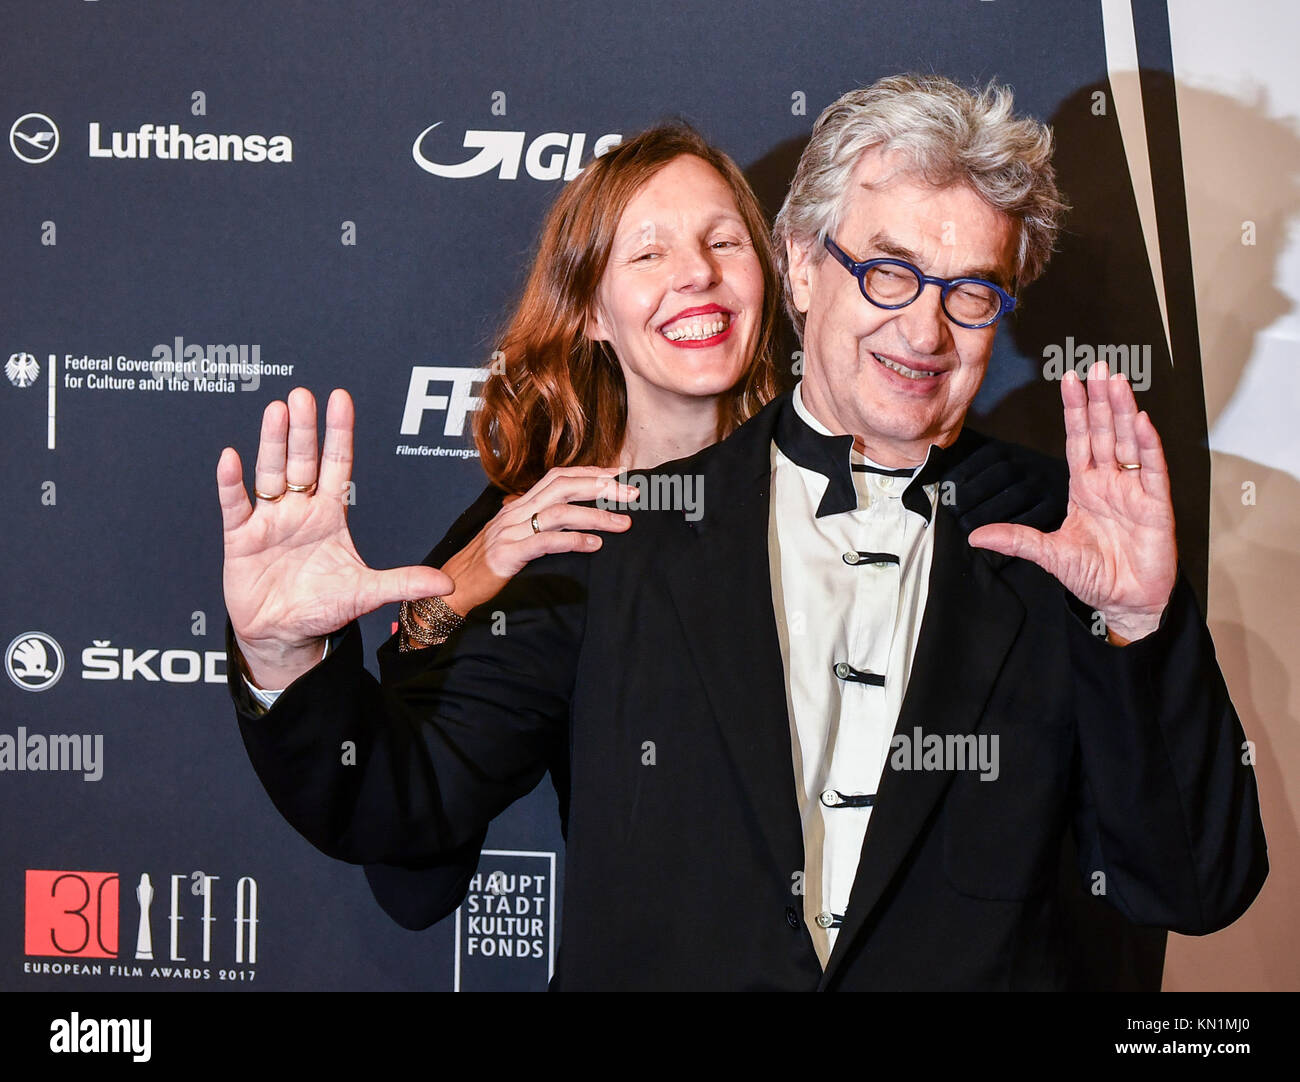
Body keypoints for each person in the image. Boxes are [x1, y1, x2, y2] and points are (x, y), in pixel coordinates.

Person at [226, 75, 1267, 991]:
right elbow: (398, 808)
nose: (923, 330)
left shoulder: (1065, 536)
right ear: (804, 267)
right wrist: (287, 658)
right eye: (890, 272)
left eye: (971, 293)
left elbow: (1193, 885)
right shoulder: (614, 530)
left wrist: (1138, 627)